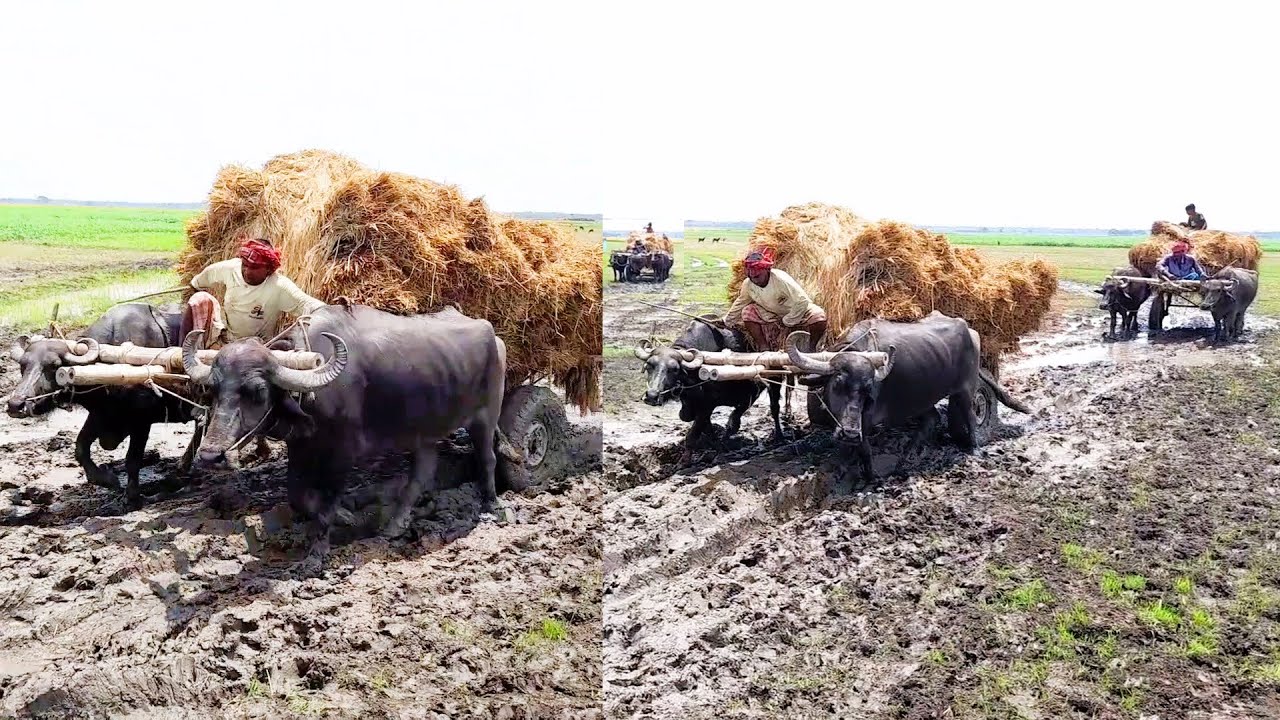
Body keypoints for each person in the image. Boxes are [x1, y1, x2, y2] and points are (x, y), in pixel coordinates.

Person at [181, 235, 327, 350]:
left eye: (254, 268)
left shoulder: (279, 286)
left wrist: (334, 312)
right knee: (199, 299)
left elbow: (312, 306)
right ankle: (181, 352)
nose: (247, 271)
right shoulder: (229, 269)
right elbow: (196, 283)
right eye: (245, 265)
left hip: (257, 348)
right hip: (224, 341)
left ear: (268, 270)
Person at [725, 249, 828, 352]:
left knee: (819, 316)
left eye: (757, 273)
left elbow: (802, 301)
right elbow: (741, 302)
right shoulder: (748, 284)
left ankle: (811, 347)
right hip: (772, 314)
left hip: (796, 312)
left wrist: (788, 320)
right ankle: (763, 346)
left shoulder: (781, 279)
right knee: (747, 311)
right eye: (750, 272)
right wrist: (727, 321)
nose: (753, 275)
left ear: (767, 269)